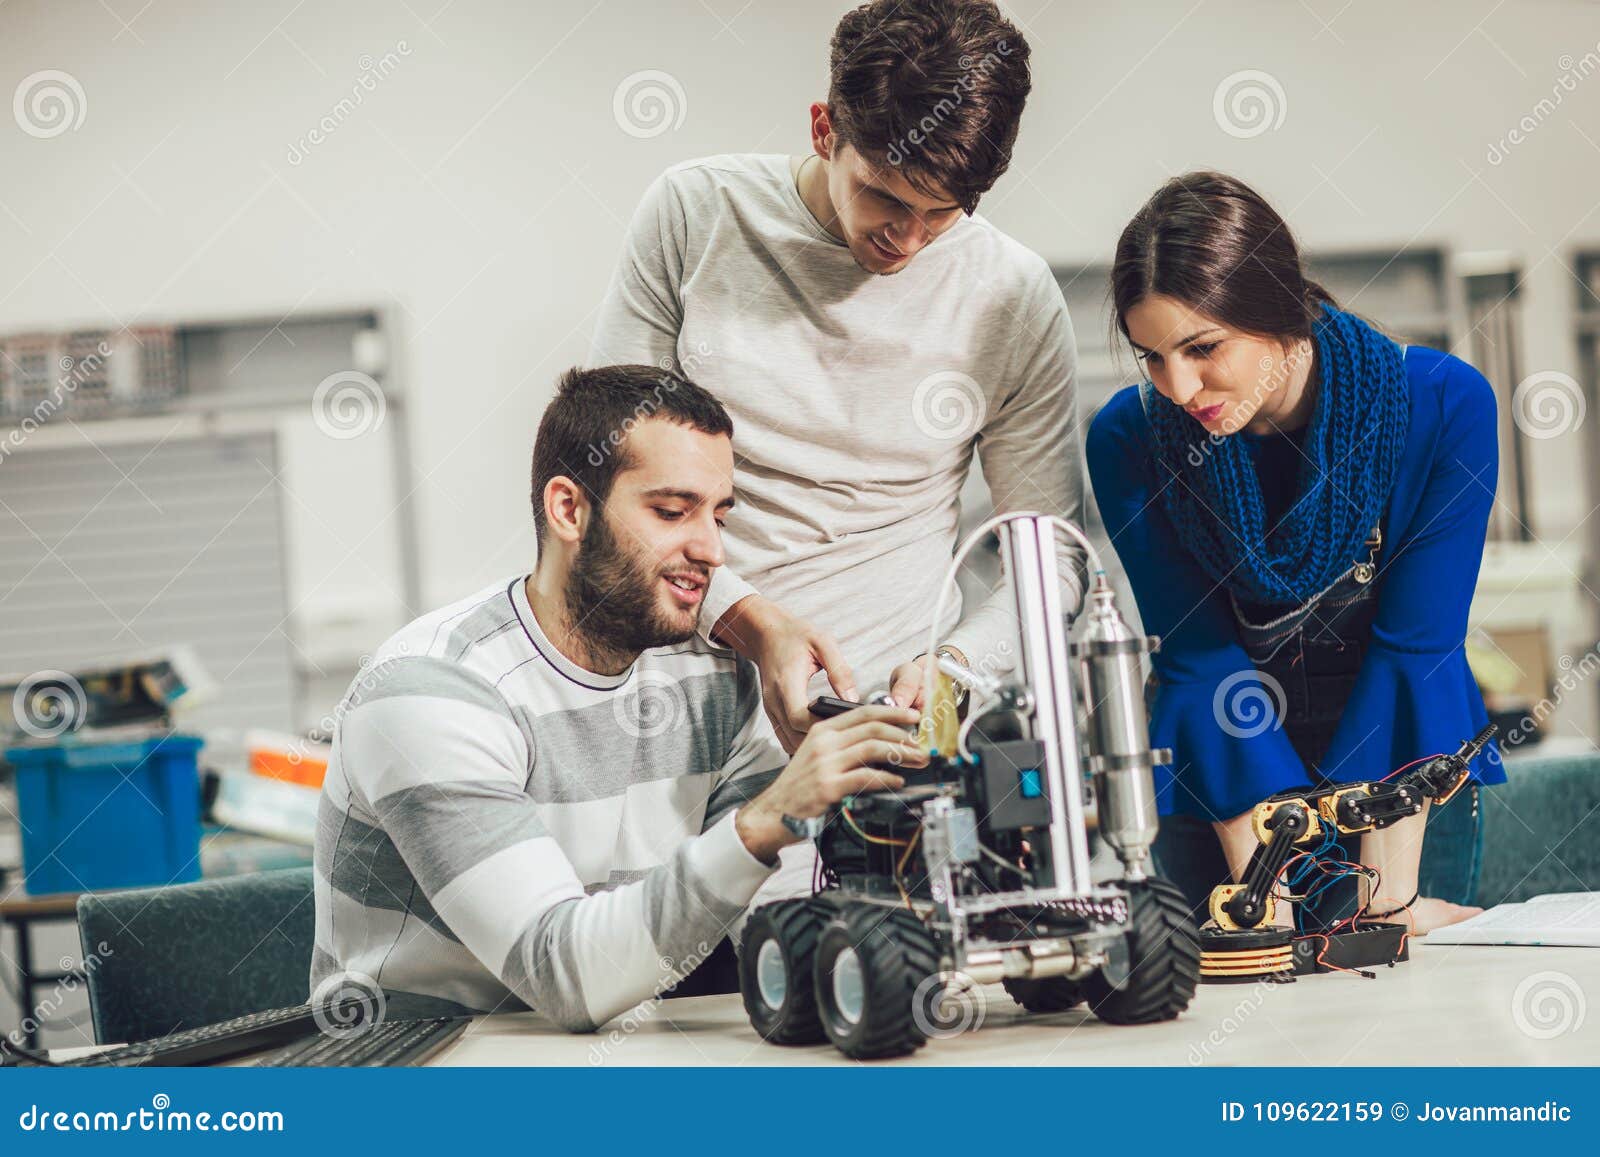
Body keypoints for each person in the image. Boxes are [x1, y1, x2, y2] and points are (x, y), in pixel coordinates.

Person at [310, 365, 926, 1032]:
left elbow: (770, 924)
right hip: (421, 1072)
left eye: (719, 515)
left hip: (625, 1049)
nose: (713, 550)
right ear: (569, 508)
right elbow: (564, 974)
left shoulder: (711, 680)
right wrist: (774, 812)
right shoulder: (429, 692)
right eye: (672, 511)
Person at [590, 0, 1085, 753]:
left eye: (941, 213)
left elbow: (1050, 562)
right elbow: (607, 475)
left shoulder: (1013, 296)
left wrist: (953, 668)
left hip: (894, 726)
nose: (907, 238)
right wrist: (752, 623)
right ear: (825, 130)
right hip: (674, 709)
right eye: (885, 195)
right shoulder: (695, 216)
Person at [1085, 172, 1504, 936]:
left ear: (1279, 307)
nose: (1178, 386)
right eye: (1151, 357)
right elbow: (1200, 662)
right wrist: (1265, 899)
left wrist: (1385, 904)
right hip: (1226, 807)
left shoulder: (1443, 408)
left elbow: (1415, 650)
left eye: (1203, 347)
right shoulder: (1131, 440)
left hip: (1403, 805)